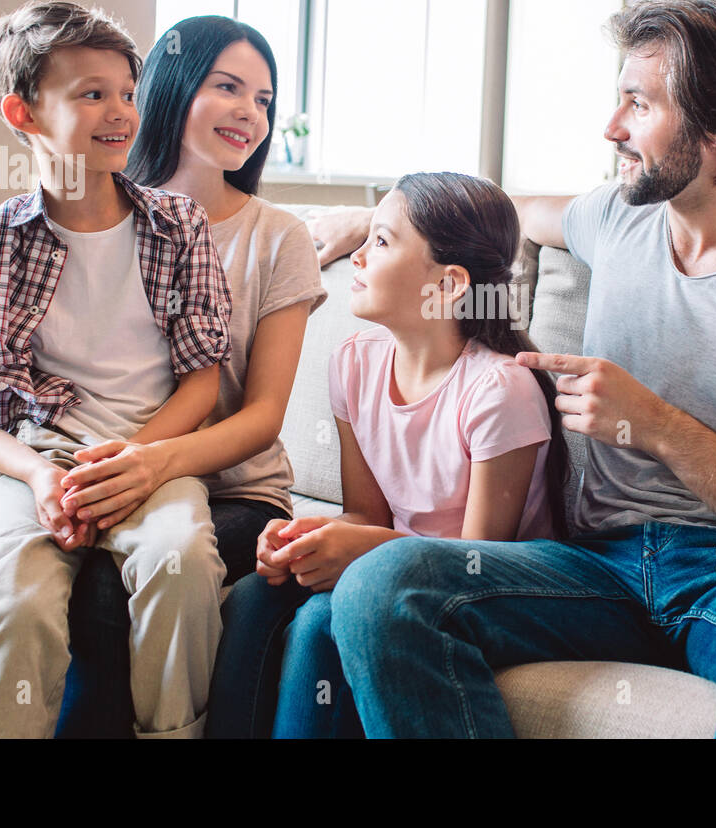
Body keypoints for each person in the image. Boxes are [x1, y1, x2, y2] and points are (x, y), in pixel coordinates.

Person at [309, 0, 716, 738]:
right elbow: (504, 209)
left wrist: (659, 427)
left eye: (639, 103)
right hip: (593, 569)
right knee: (383, 583)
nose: (612, 127)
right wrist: (365, 221)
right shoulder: (619, 217)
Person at [0, 13, 326, 737]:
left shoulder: (245, 234)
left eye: (264, 99)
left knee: (133, 582)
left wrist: (142, 461)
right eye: (227, 86)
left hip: (210, 482)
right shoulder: (28, 227)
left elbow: (254, 413)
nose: (249, 113)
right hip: (63, 463)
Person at [207, 172, 568, 738]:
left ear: (448, 284)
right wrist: (306, 537)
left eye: (381, 240)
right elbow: (366, 516)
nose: (357, 257)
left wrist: (360, 547)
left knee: (320, 624)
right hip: (392, 562)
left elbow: (475, 564)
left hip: (475, 587)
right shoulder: (354, 362)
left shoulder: (500, 390)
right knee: (256, 595)